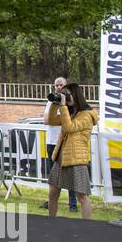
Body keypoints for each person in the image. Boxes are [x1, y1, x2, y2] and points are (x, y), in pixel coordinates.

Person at [43, 82, 97, 219]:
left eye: (68, 95)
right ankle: (51, 221)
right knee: (52, 193)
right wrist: (55, 103)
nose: (66, 98)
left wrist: (63, 106)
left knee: (82, 196)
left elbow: (69, 128)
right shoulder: (71, 113)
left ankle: (87, 225)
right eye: (64, 95)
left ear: (76, 95)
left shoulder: (87, 115)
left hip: (76, 159)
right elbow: (51, 120)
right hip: (62, 157)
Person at [44, 76, 78, 212]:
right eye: (56, 85)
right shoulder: (51, 101)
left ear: (66, 86)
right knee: (53, 175)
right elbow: (46, 120)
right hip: (51, 141)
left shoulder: (70, 102)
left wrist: (62, 108)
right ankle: (52, 200)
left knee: (70, 174)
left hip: (65, 141)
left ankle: (73, 204)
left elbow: (69, 121)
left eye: (61, 85)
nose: (58, 88)